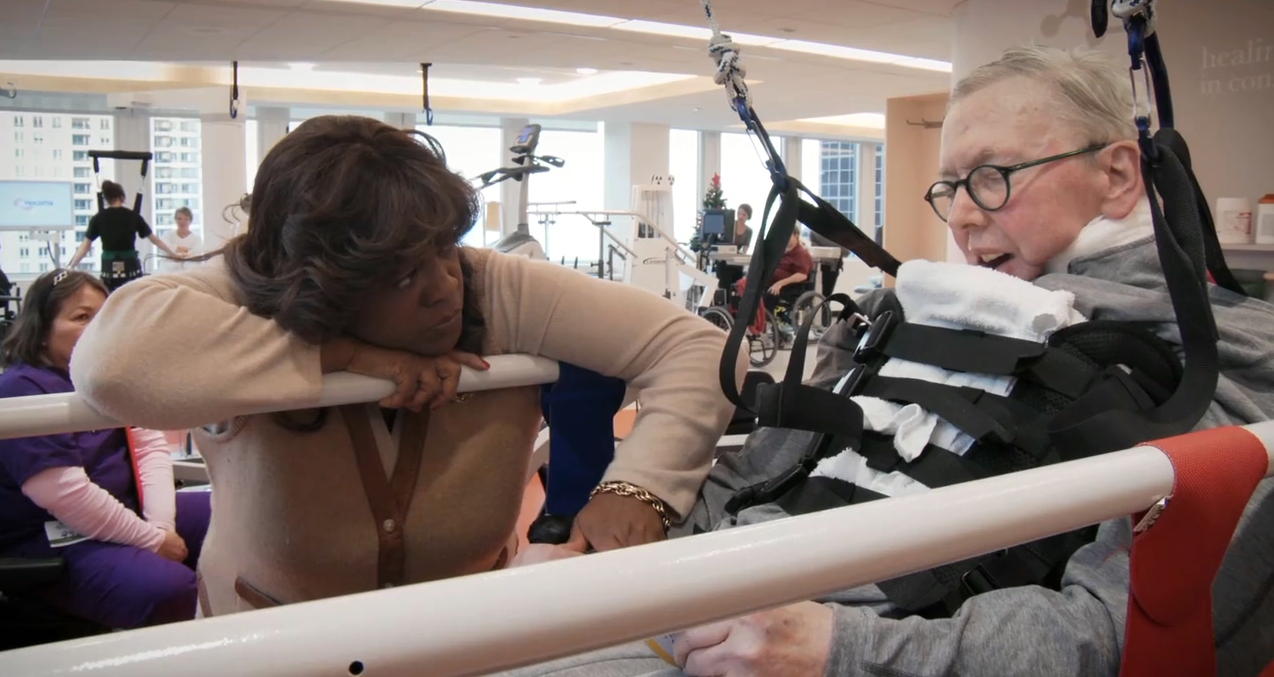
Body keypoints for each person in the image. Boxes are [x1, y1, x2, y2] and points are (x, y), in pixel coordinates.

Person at [500, 46, 1274, 676]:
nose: (965, 213)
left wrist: (844, 652)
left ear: (1117, 175)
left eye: (993, 177)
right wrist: (626, 555)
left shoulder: (1210, 366)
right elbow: (767, 477)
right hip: (716, 600)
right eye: (951, 187)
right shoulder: (916, 315)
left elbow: (1127, 633)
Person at [69, 115, 746, 616]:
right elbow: (114, 365)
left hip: (463, 639)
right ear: (319, 283)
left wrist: (640, 487)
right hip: (268, 647)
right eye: (399, 276)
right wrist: (341, 355)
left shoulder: (490, 282)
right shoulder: (253, 286)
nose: (444, 286)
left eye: (445, 250)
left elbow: (702, 347)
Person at [0, 270, 210, 629]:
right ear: (42, 329)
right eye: (81, 317)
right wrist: (153, 541)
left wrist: (160, 527)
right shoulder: (20, 388)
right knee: (167, 590)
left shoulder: (106, 376)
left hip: (122, 507)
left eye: (106, 316)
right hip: (49, 534)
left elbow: (149, 448)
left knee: (235, 515)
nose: (99, 328)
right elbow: (65, 495)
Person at [68, 180, 179, 290]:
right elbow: (155, 240)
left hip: (109, 273)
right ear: (122, 197)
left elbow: (85, 246)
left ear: (106, 199)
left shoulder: (98, 218)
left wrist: (71, 266)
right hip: (131, 272)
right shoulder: (133, 216)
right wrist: (172, 254)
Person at [158, 207, 203, 272]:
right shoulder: (168, 235)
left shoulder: (196, 238)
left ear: (190, 221)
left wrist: (181, 255)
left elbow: (196, 255)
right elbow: (163, 249)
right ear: (175, 220)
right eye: (179, 219)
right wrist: (178, 249)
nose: (182, 222)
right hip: (169, 271)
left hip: (189, 272)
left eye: (186, 219)